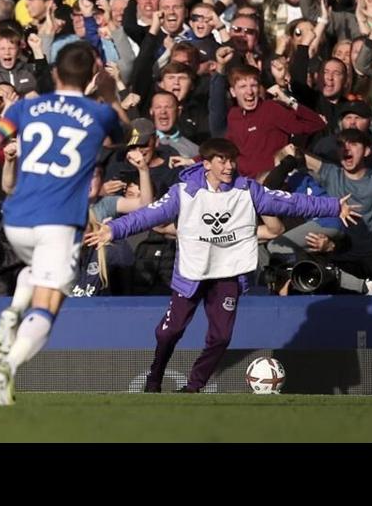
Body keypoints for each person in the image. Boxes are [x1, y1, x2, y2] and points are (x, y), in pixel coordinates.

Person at [84, 138, 357, 393]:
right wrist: (114, 230)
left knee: (221, 337)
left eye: (232, 160)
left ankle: (192, 388)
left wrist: (333, 206)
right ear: (206, 164)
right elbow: (149, 214)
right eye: (222, 161)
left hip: (227, 273)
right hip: (191, 273)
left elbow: (291, 202)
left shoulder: (247, 190)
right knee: (170, 332)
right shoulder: (184, 192)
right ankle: (155, 377)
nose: (229, 166)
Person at [0, 43, 123, 406]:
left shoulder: (25, 106)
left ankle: (11, 310)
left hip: (17, 218)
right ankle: (9, 365)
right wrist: (110, 93)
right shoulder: (99, 114)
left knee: (34, 271)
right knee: (49, 305)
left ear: (54, 73)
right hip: (59, 222)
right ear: (91, 76)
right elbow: (125, 135)